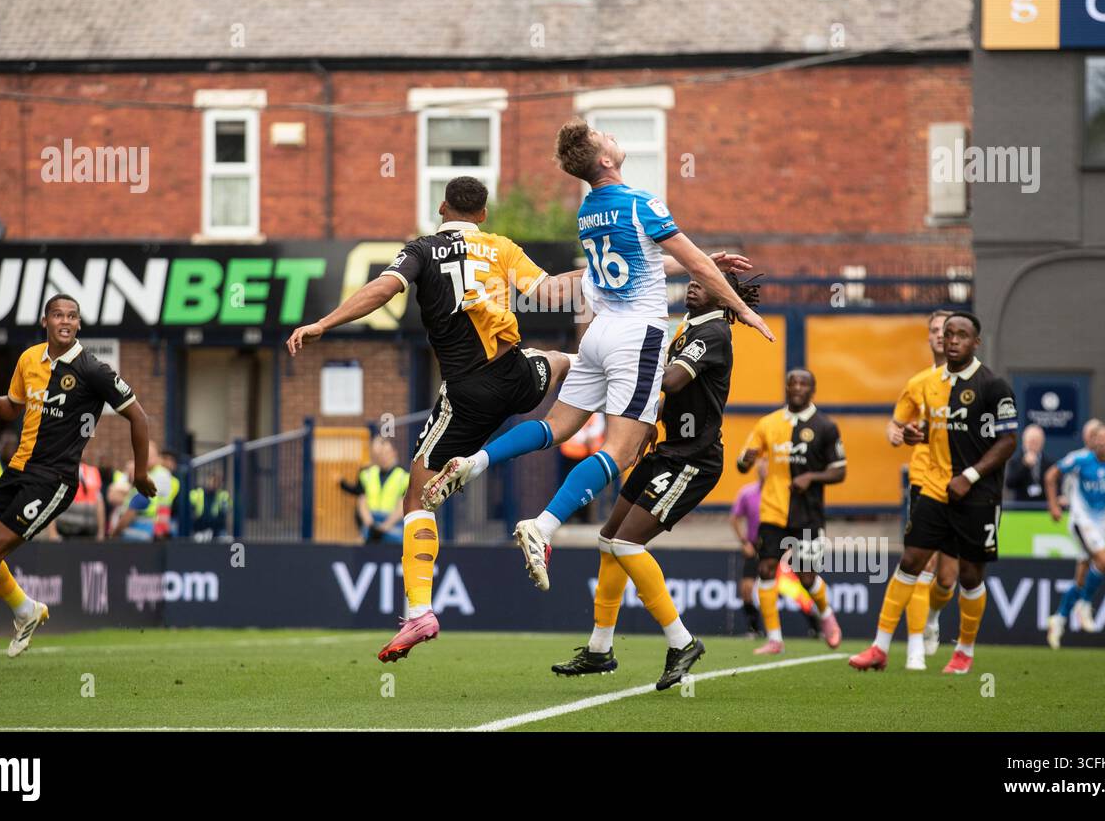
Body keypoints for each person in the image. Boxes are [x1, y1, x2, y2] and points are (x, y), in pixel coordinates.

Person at [422, 119, 771, 595]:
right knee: (622, 450)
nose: (613, 138)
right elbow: (693, 263)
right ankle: (543, 526)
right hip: (637, 336)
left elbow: (650, 259)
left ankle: (476, 462)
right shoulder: (642, 201)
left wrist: (706, 262)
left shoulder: (590, 209)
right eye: (606, 137)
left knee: (557, 427)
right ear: (605, 160)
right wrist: (742, 309)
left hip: (598, 334)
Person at [287, 176, 584, 663]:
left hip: (468, 394)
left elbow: (384, 290)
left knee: (417, 498)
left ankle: (421, 610)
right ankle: (615, 380)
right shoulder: (502, 246)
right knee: (561, 360)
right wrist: (602, 270)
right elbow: (550, 291)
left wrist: (323, 324)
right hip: (519, 379)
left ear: (442, 208)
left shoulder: (422, 250)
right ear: (484, 215)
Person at [0, 293, 155, 673]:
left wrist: (140, 473)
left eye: (72, 316)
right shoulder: (29, 359)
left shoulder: (93, 370)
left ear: (79, 324)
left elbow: (140, 417)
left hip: (54, 480)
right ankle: (25, 609)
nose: (65, 321)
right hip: (17, 470)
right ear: (45, 320)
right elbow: (14, 405)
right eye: (57, 315)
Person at [551, 273, 760, 689]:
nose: (694, 285)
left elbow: (670, 381)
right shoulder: (686, 329)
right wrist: (653, 419)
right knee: (609, 540)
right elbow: (673, 395)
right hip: (668, 450)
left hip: (693, 461)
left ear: (724, 295)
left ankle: (682, 641)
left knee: (627, 544)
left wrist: (621, 367)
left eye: (706, 281)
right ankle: (599, 649)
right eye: (695, 278)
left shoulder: (715, 331)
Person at [849, 312, 1018, 675]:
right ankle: (879, 647)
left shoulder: (993, 386)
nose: (952, 339)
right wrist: (916, 436)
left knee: (969, 576)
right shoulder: (931, 383)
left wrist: (969, 476)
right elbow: (942, 432)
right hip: (935, 489)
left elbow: (1007, 442)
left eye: (961, 335)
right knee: (911, 561)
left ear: (976, 342)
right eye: (948, 333)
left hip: (978, 495)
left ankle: (964, 652)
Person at [736, 369, 846, 655]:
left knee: (806, 575)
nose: (797, 387)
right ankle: (774, 639)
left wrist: (811, 478)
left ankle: (826, 616)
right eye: (792, 383)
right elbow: (743, 462)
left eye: (803, 383)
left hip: (807, 513)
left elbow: (839, 471)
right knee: (766, 568)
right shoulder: (768, 423)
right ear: (785, 388)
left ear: (813, 389)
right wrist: (745, 461)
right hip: (772, 510)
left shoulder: (825, 426)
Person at [886, 308, 958, 668]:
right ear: (929, 337)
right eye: (934, 330)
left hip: (960, 484)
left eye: (947, 330)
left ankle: (931, 619)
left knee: (947, 579)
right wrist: (899, 434)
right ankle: (914, 645)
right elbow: (894, 427)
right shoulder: (917, 384)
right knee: (921, 561)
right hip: (923, 480)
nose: (941, 336)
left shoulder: (971, 384)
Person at [1044, 424, 1105, 648]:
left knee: (1081, 578)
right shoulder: (1080, 459)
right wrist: (1054, 505)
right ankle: (1085, 605)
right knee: (1104, 561)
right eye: (1096, 438)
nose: (1100, 442)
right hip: (1081, 522)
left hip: (1102, 526)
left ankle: (1059, 619)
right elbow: (1051, 475)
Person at [340, 435, 410, 544]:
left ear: (394, 453)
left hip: (393, 524)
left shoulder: (404, 476)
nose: (383, 456)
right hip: (371, 522)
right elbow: (362, 501)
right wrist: (370, 524)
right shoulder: (366, 473)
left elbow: (401, 507)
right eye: (380, 453)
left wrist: (385, 527)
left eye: (386, 452)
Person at [730, 459, 767, 636]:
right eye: (761, 464)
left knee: (795, 587)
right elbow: (734, 518)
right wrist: (744, 542)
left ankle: (816, 624)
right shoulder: (747, 493)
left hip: (777, 546)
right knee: (746, 588)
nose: (763, 467)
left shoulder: (781, 493)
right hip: (754, 545)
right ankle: (754, 628)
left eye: (767, 463)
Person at [111, 441, 174, 542]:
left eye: (150, 455)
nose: (146, 458)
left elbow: (139, 501)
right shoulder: (136, 471)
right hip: (138, 526)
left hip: (149, 528)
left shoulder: (162, 474)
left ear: (157, 458)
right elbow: (112, 496)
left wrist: (114, 534)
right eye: (143, 454)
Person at [54, 456, 106, 540]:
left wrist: (101, 532)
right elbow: (54, 500)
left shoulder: (93, 471)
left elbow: (99, 502)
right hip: (66, 530)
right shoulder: (63, 471)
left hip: (89, 530)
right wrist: (53, 533)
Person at [1004, 424, 1055, 503]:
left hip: (1043, 509)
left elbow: (1054, 486)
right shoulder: (1014, 461)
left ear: (1042, 442)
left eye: (1036, 441)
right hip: (1020, 508)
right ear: (1024, 441)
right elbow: (1010, 483)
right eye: (1031, 441)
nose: (1033, 445)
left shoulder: (1049, 464)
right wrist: (1024, 465)